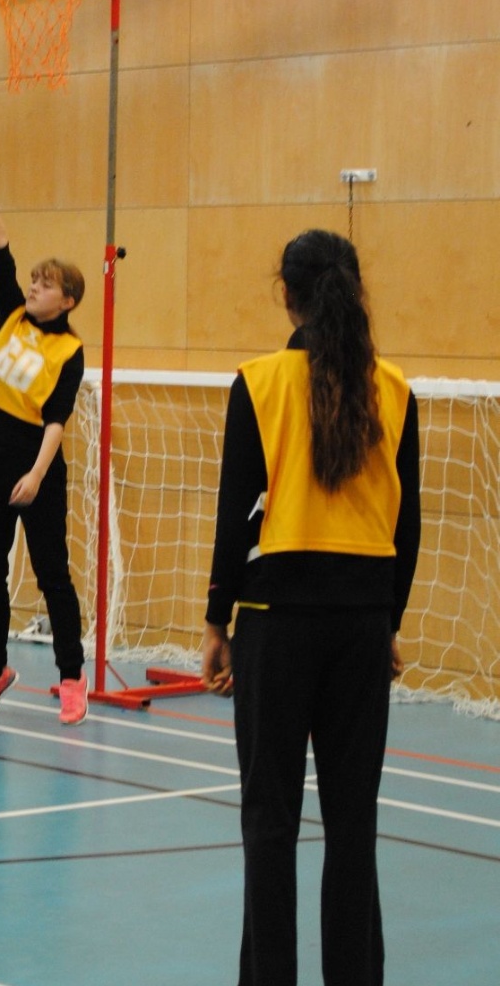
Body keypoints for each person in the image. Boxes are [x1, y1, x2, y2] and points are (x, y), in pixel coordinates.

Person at [201, 229, 421, 986]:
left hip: (276, 622)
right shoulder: (393, 387)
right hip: (360, 624)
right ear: (353, 291)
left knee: (270, 823)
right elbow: (407, 525)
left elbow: (236, 515)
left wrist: (216, 621)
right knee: (353, 825)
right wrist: (387, 621)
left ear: (287, 295)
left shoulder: (258, 382)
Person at [0, 142, 89, 724]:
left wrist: (36, 476)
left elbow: (57, 417)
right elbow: (0, 250)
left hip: (38, 465)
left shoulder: (70, 350)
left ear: (68, 299)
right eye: (34, 281)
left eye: (46, 284)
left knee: (52, 573)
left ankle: (71, 678)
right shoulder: (11, 314)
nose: (34, 288)